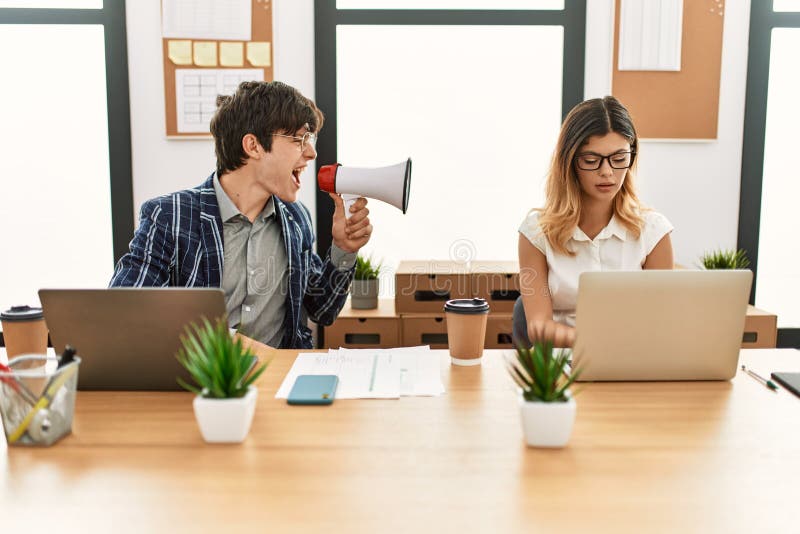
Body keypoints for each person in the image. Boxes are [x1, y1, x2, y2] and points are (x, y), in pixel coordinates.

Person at [110, 81, 372, 349]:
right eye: (300, 139)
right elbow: (126, 314)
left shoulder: (296, 219)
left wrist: (343, 249)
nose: (312, 152)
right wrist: (233, 344)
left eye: (311, 140)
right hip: (201, 384)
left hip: (279, 382)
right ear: (253, 146)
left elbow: (323, 309)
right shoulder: (169, 216)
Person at [513, 96, 673, 348]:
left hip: (633, 360)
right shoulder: (535, 232)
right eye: (591, 160)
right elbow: (539, 327)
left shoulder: (654, 231)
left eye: (619, 158)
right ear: (570, 162)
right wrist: (600, 344)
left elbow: (661, 322)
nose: (607, 172)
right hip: (563, 362)